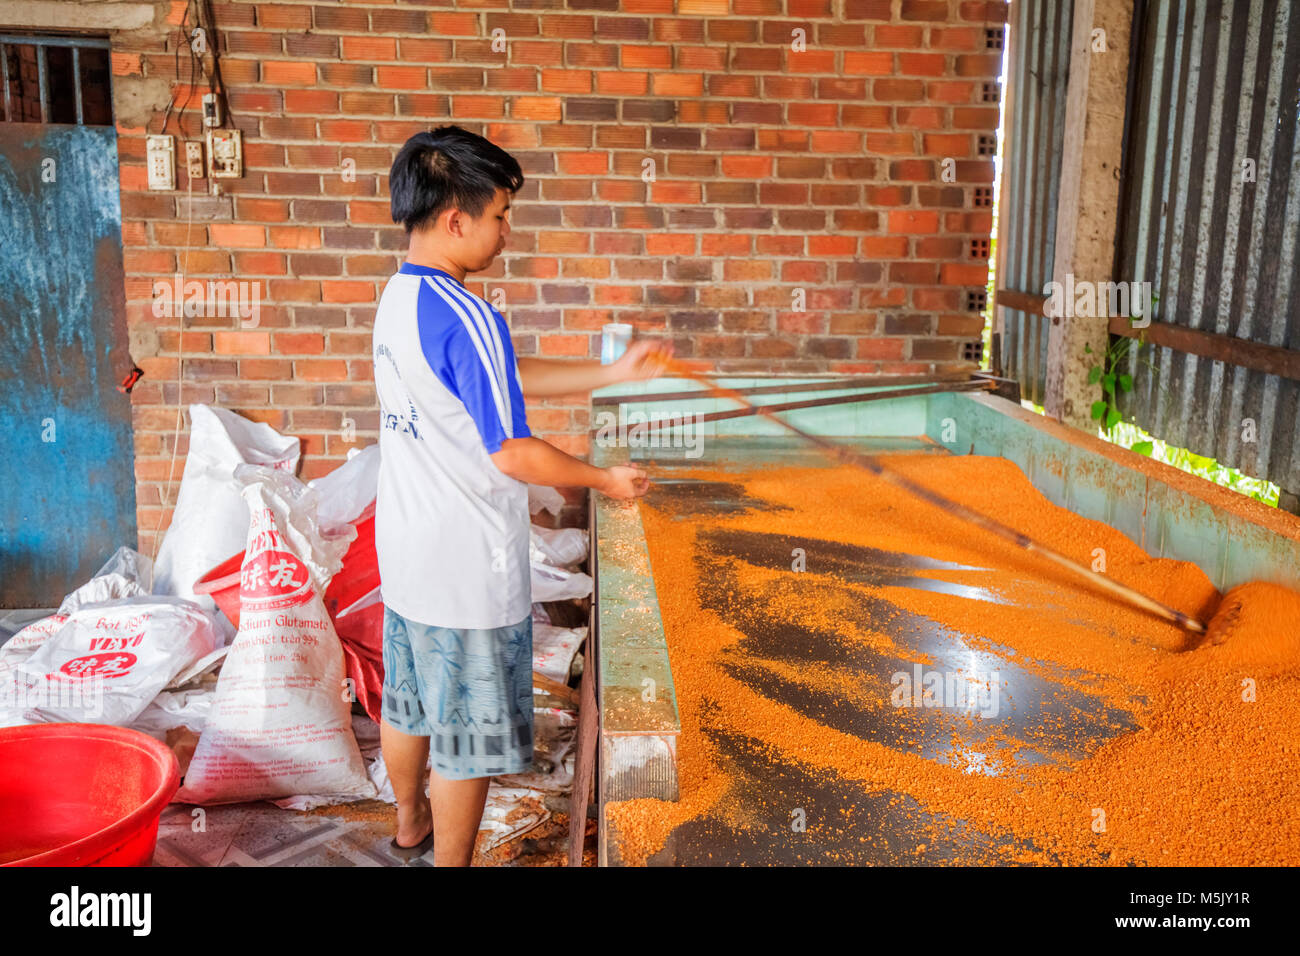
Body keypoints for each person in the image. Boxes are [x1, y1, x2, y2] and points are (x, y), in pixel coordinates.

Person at [372, 125, 672, 865]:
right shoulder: (468, 312)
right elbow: (512, 453)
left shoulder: (401, 296)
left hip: (408, 552)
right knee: (467, 739)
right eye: (501, 215)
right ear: (456, 219)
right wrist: (606, 479)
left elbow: (500, 375)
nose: (507, 232)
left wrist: (616, 375)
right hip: (464, 566)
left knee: (408, 702)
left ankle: (407, 823)